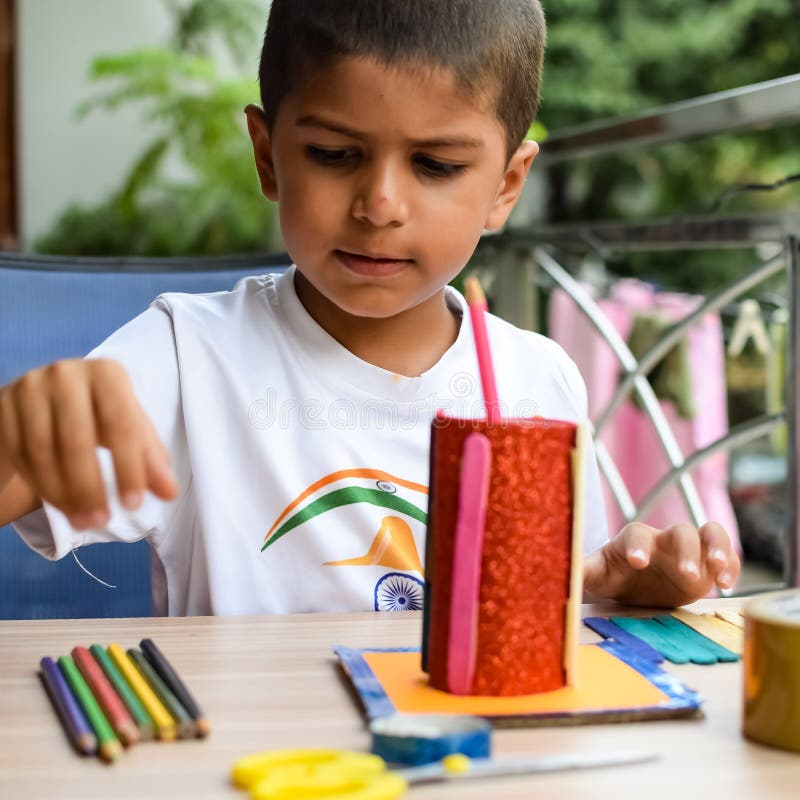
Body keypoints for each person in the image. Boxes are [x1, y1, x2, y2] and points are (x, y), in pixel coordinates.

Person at [0, 0, 739, 616]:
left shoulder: (539, 380)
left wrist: (626, 594)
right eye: (333, 154)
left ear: (506, 187)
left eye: (437, 166)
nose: (380, 205)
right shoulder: (182, 358)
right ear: (267, 156)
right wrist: (16, 434)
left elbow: (562, 610)